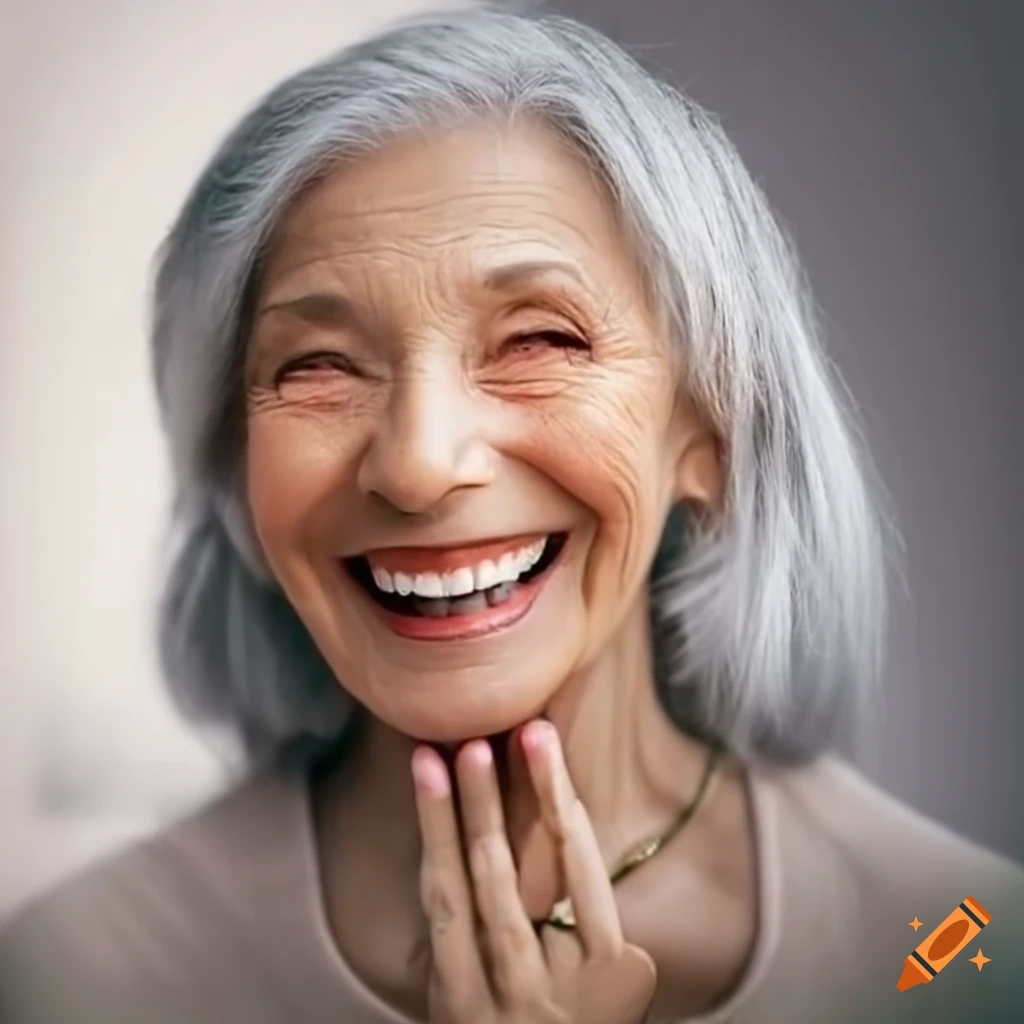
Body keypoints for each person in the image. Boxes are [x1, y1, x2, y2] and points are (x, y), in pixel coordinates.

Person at [1, 6, 1021, 1023]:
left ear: (710, 430)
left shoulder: (958, 949)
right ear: (236, 471)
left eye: (538, 340)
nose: (418, 462)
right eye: (316, 365)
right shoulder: (71, 981)